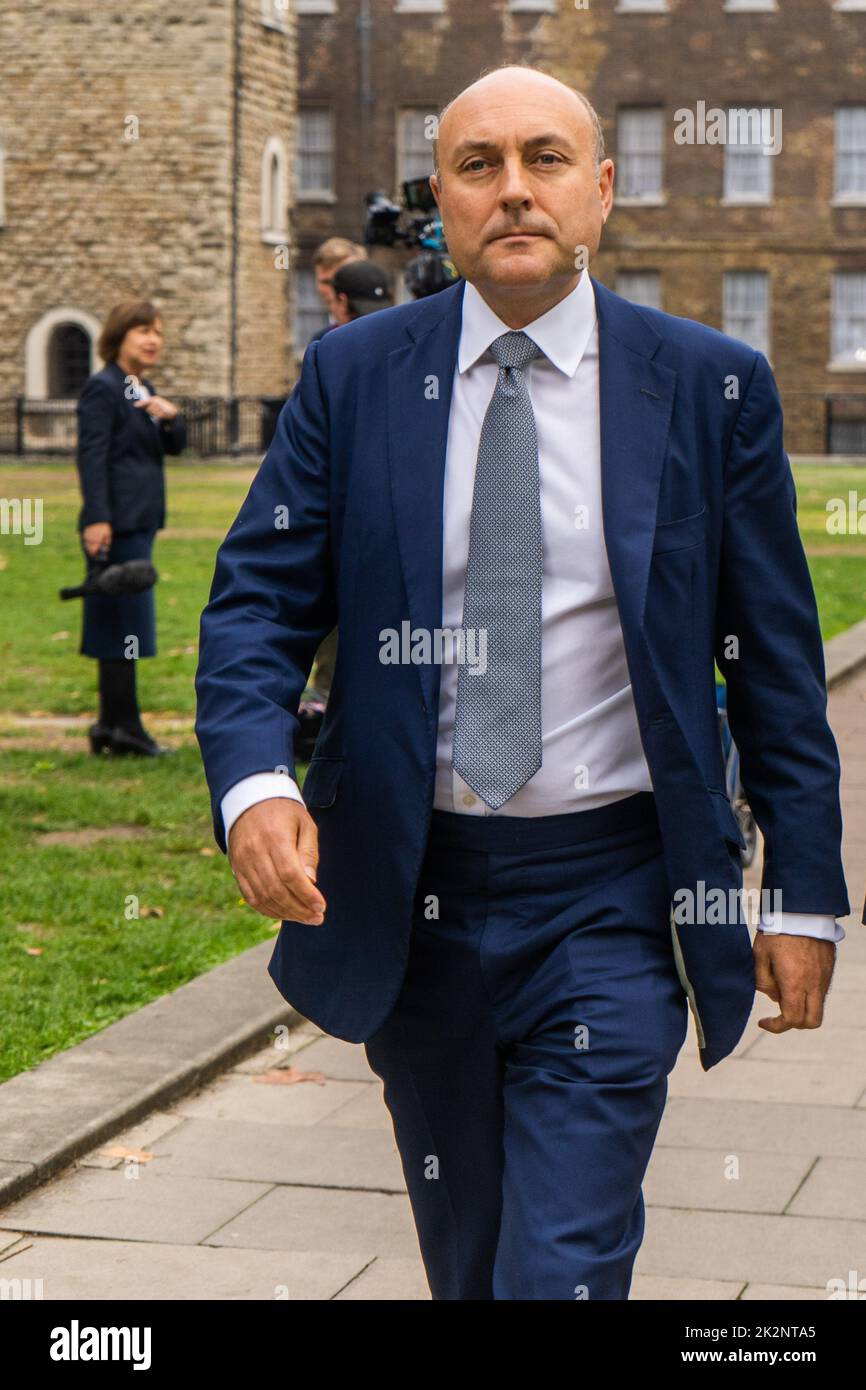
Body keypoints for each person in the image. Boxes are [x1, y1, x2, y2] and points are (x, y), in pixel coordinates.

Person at [195, 65, 850, 1300]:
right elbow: (256, 605)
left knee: (556, 1271)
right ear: (438, 199)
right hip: (411, 896)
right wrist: (251, 782)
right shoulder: (355, 378)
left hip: (610, 896)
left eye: (545, 160)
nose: (514, 192)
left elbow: (766, 652)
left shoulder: (708, 388)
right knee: (468, 1263)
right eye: (478, 166)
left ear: (600, 192)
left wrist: (801, 893)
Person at [76, 299, 186, 756]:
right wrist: (98, 517)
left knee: (121, 622)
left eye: (157, 331)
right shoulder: (103, 389)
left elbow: (175, 449)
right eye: (142, 330)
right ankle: (126, 729)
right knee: (122, 625)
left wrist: (169, 416)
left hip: (138, 522)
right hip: (115, 524)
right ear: (119, 336)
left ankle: (111, 725)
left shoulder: (139, 389)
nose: (152, 339)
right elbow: (92, 455)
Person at [307, 237, 368, 346]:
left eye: (341, 281)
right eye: (326, 282)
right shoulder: (320, 341)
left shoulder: (382, 332)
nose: (334, 290)